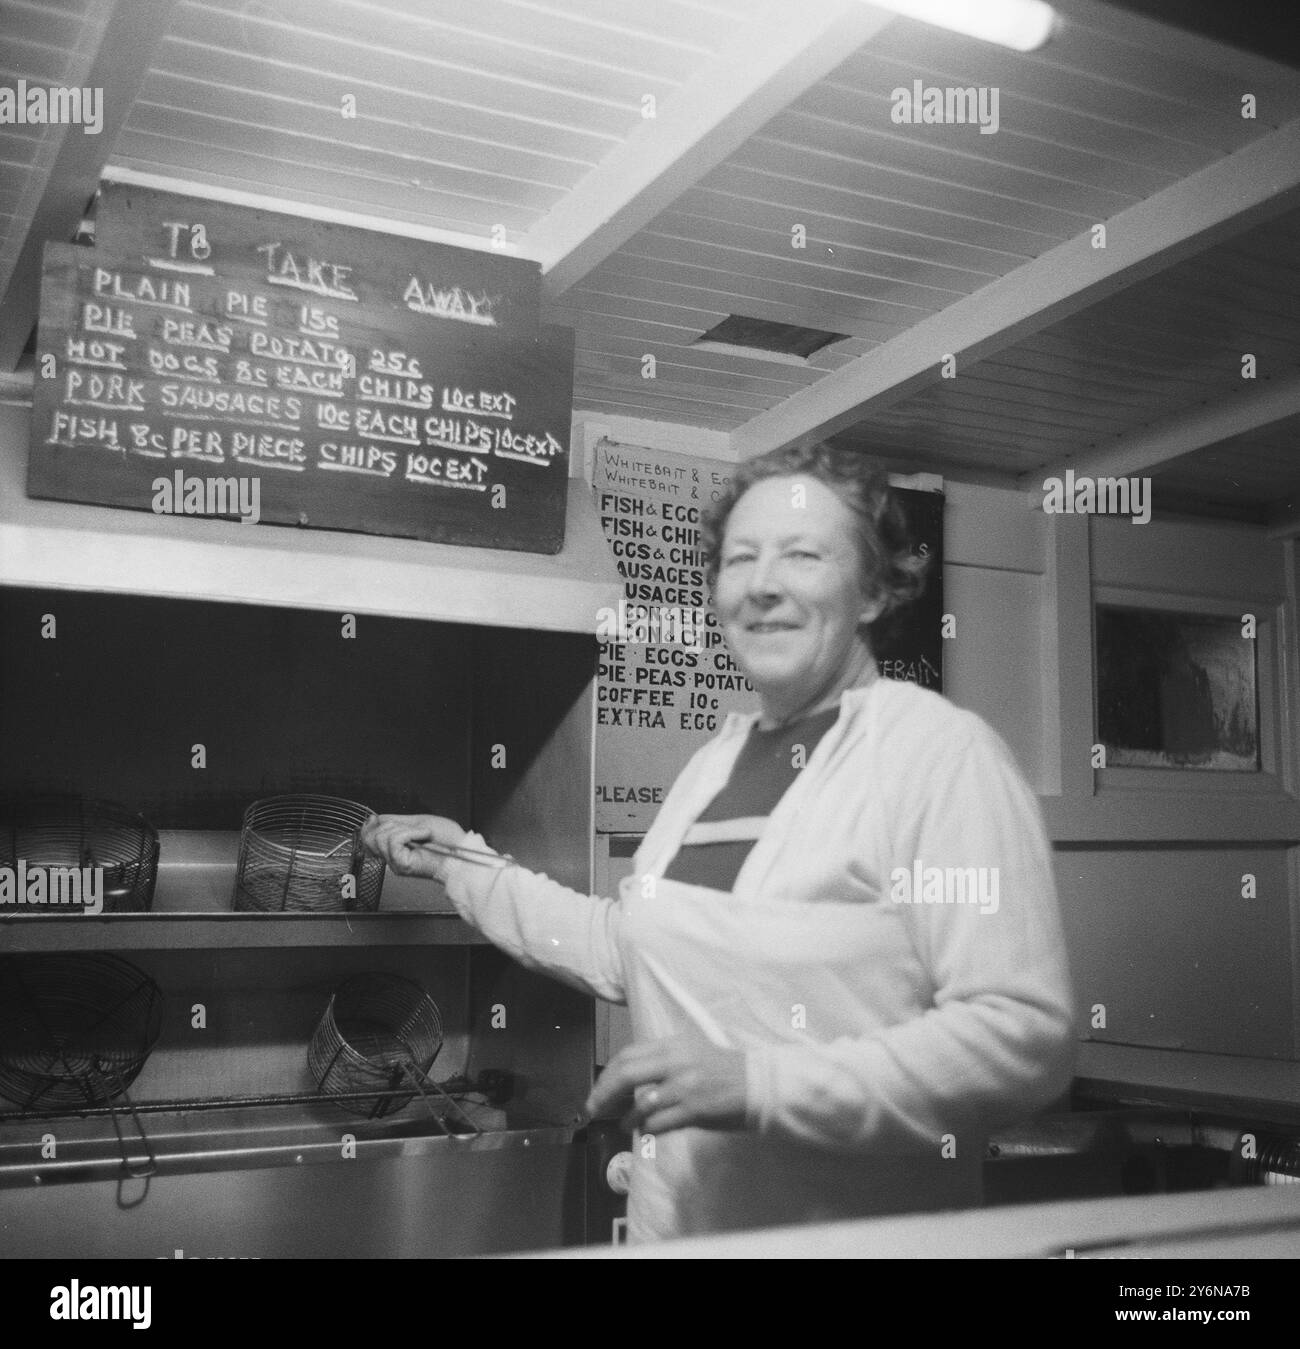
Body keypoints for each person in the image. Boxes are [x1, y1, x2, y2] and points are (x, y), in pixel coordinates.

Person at [361, 442, 1076, 1244]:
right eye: (741, 559)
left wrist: (763, 1082)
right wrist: (466, 862)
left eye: (802, 554)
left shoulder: (937, 756)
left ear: (873, 588)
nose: (763, 583)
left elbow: (1023, 1033)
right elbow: (620, 945)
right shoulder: (715, 764)